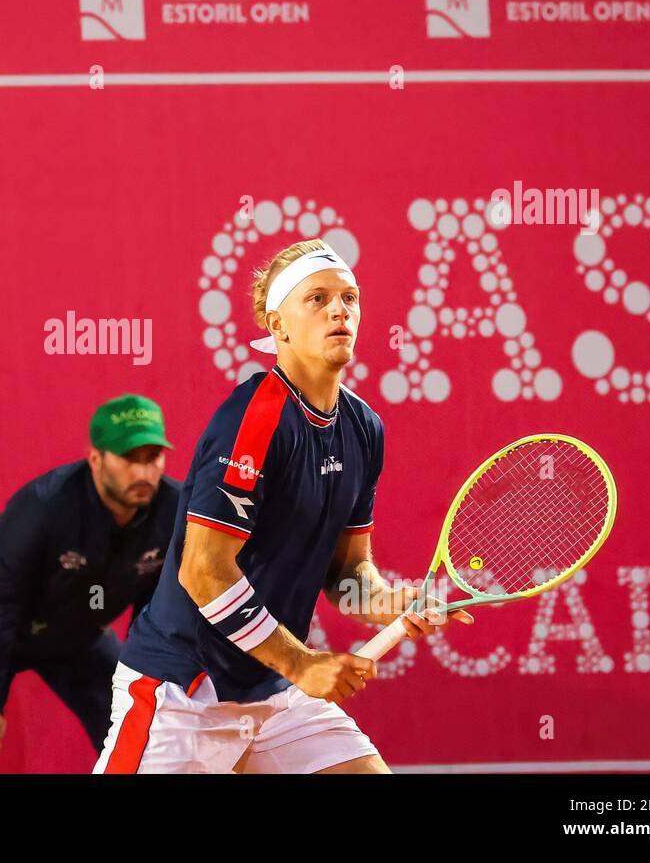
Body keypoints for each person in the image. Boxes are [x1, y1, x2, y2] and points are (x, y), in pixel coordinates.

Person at [94, 239, 472, 774]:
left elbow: (346, 574)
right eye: (317, 299)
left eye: (350, 297)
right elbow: (203, 572)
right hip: (185, 691)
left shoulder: (364, 429)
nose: (340, 310)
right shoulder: (254, 418)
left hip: (274, 693)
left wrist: (393, 603)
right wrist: (302, 663)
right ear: (278, 326)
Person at [0, 395, 182, 772]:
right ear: (96, 459)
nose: (144, 472)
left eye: (153, 457)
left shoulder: (174, 508)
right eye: (131, 458)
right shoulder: (44, 506)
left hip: (74, 628)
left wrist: (153, 688)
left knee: (141, 736)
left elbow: (154, 615)